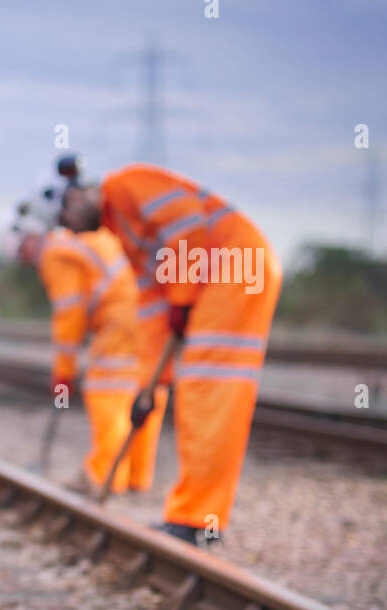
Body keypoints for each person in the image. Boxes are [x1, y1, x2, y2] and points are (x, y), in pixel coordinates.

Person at [59, 160, 282, 544]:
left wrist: (181, 297)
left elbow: (186, 224)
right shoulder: (119, 230)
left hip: (234, 266)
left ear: (76, 196)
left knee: (209, 394)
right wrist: (149, 385)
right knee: (199, 394)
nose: (70, 231)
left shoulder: (126, 184)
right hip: (216, 275)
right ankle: (195, 515)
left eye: (66, 218)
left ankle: (198, 520)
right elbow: (150, 304)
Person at [1, 175, 144, 494]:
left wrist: (63, 372)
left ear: (29, 238)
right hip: (141, 309)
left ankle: (103, 476)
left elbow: (69, 317)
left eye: (22, 252)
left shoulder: (54, 254)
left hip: (119, 317)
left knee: (106, 388)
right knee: (139, 389)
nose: (26, 260)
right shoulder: (72, 243)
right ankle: (135, 475)